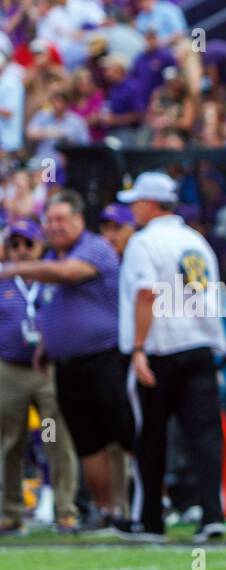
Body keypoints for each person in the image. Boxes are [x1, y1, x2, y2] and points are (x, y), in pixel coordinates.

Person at [3, 191, 132, 526]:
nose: (20, 252)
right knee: (87, 440)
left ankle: (131, 508)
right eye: (51, 220)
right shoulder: (45, 269)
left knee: (111, 435)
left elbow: (67, 274)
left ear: (78, 220)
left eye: (62, 219)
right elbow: (57, 307)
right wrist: (47, 342)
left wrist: (10, 268)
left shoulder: (91, 248)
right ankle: (102, 512)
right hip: (44, 368)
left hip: (102, 359)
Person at [115, 171, 226, 543]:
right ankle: (212, 514)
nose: (132, 208)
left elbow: (145, 295)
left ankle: (149, 520)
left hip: (160, 348)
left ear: (149, 203)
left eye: (135, 202)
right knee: (204, 437)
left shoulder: (143, 242)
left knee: (150, 435)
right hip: (199, 346)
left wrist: (138, 350)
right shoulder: (195, 240)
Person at [0, 220, 78, 534]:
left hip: (48, 371)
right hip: (10, 370)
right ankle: (10, 512)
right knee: (10, 442)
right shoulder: (3, 280)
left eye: (27, 244)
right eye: (15, 245)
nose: (21, 251)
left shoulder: (52, 279)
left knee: (56, 439)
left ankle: (65, 510)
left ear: (40, 247)